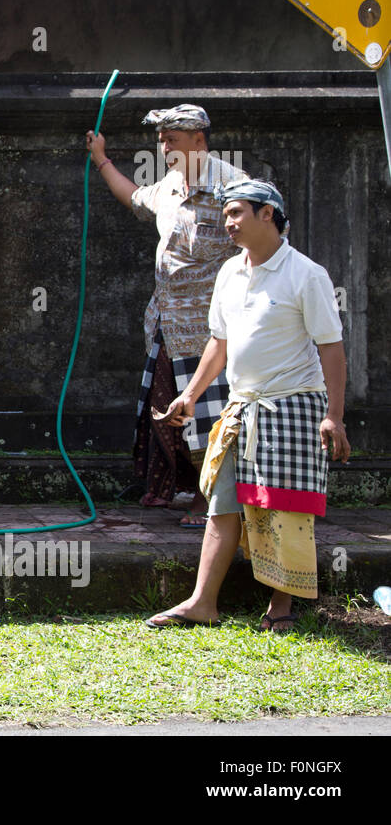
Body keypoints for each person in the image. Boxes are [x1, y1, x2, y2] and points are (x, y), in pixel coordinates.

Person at [144, 179, 349, 632]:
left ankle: (283, 605)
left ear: (267, 214)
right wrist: (190, 395)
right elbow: (219, 342)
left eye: (237, 213)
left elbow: (332, 348)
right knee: (222, 502)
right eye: (226, 214)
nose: (228, 223)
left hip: (293, 405)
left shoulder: (305, 274)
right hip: (241, 407)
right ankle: (202, 603)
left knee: (285, 507)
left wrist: (333, 414)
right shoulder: (229, 273)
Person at [86, 104, 246, 528]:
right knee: (169, 413)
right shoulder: (169, 187)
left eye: (172, 138)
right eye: (161, 139)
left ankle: (209, 499)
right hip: (166, 324)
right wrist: (101, 159)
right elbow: (135, 199)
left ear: (199, 140)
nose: (164, 146)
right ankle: (181, 487)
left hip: (214, 331)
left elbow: (267, 242)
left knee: (211, 417)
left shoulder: (234, 187)